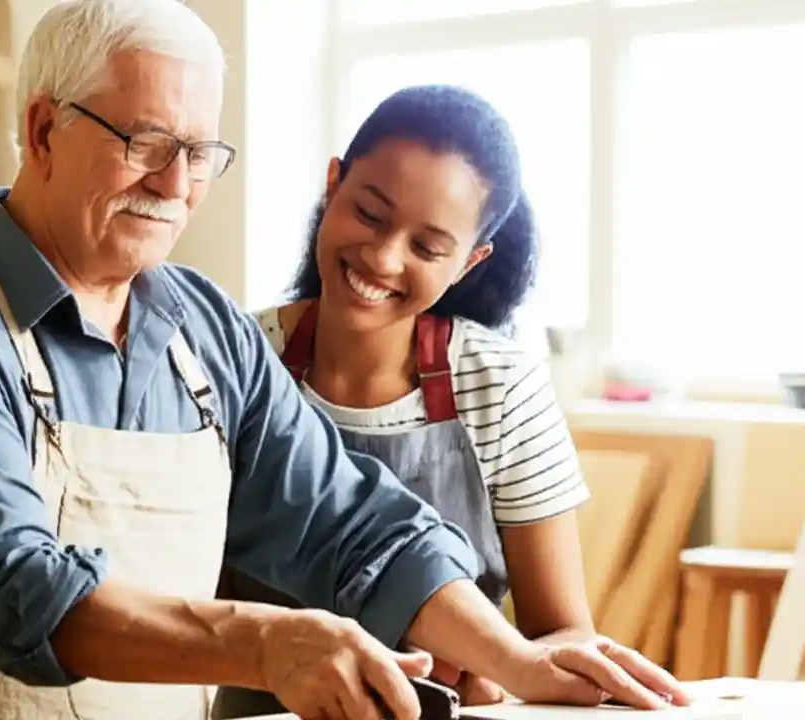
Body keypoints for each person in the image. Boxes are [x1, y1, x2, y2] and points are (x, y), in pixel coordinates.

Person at [0, 3, 688, 719]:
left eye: (199, 153)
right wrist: (265, 643)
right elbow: (15, 585)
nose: (176, 186)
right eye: (144, 141)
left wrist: (520, 659)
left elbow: (350, 522)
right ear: (43, 130)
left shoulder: (206, 331)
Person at [211, 84, 664, 717]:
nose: (383, 256)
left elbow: (559, 631)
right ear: (332, 183)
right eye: (369, 213)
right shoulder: (232, 358)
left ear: (470, 262)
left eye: (427, 247)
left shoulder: (501, 385)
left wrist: (500, 676)